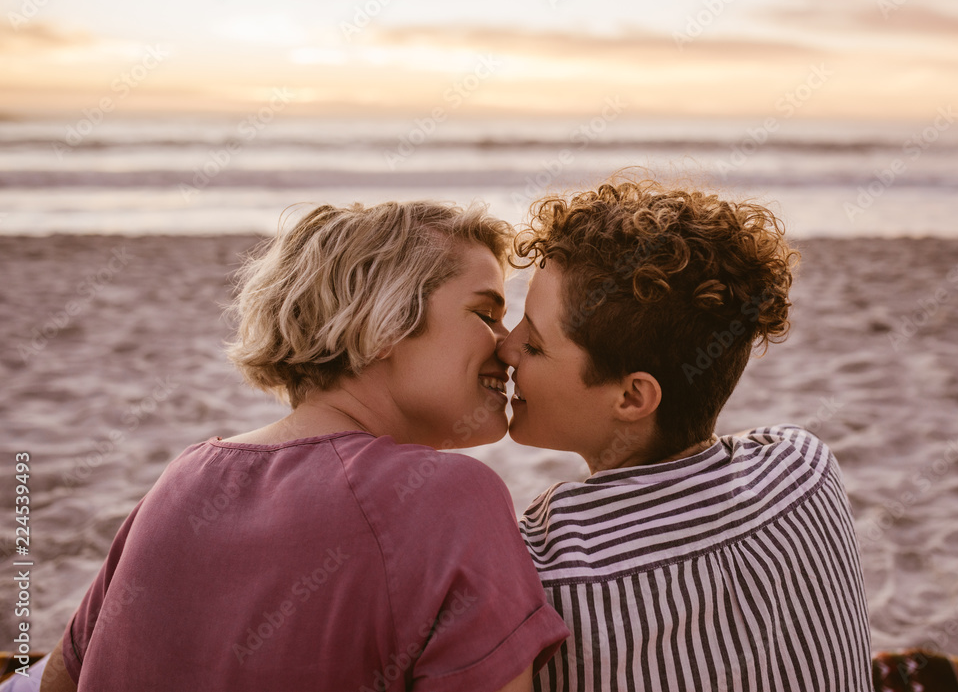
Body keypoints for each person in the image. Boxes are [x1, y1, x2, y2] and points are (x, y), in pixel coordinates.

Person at [40, 200, 569, 692]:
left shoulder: (180, 479)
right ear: (383, 321)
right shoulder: (449, 497)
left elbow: (59, 679)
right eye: (485, 313)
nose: (507, 344)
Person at [498, 177, 873, 691]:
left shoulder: (543, 572)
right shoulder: (805, 468)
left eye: (535, 344)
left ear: (632, 397)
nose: (506, 347)